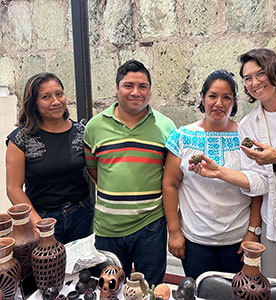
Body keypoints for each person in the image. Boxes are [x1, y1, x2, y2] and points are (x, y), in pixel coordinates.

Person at [190, 49, 276, 281]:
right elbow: (259, 182)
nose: (254, 82)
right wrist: (219, 172)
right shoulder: (250, 124)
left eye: (260, 73)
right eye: (247, 78)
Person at [84, 59, 176, 285]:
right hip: (107, 227)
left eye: (142, 86)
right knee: (108, 289)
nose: (136, 92)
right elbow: (93, 169)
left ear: (150, 91)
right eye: (128, 86)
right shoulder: (94, 127)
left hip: (150, 225)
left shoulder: (165, 127)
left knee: (149, 288)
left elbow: (171, 177)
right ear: (116, 89)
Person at [162, 70, 261, 280]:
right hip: (195, 241)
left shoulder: (246, 138)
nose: (219, 103)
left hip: (237, 240)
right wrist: (175, 232)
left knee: (237, 292)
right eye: (213, 96)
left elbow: (257, 186)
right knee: (202, 292)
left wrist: (253, 230)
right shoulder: (183, 137)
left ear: (234, 103)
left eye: (227, 97)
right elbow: (170, 184)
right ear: (203, 98)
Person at [6, 72, 94, 244]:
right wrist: (38, 223)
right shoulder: (20, 139)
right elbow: (13, 188)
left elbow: (96, 171)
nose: (56, 101)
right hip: (43, 217)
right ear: (34, 104)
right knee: (50, 269)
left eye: (59, 94)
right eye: (46, 97)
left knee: (82, 269)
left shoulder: (81, 132)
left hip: (82, 214)